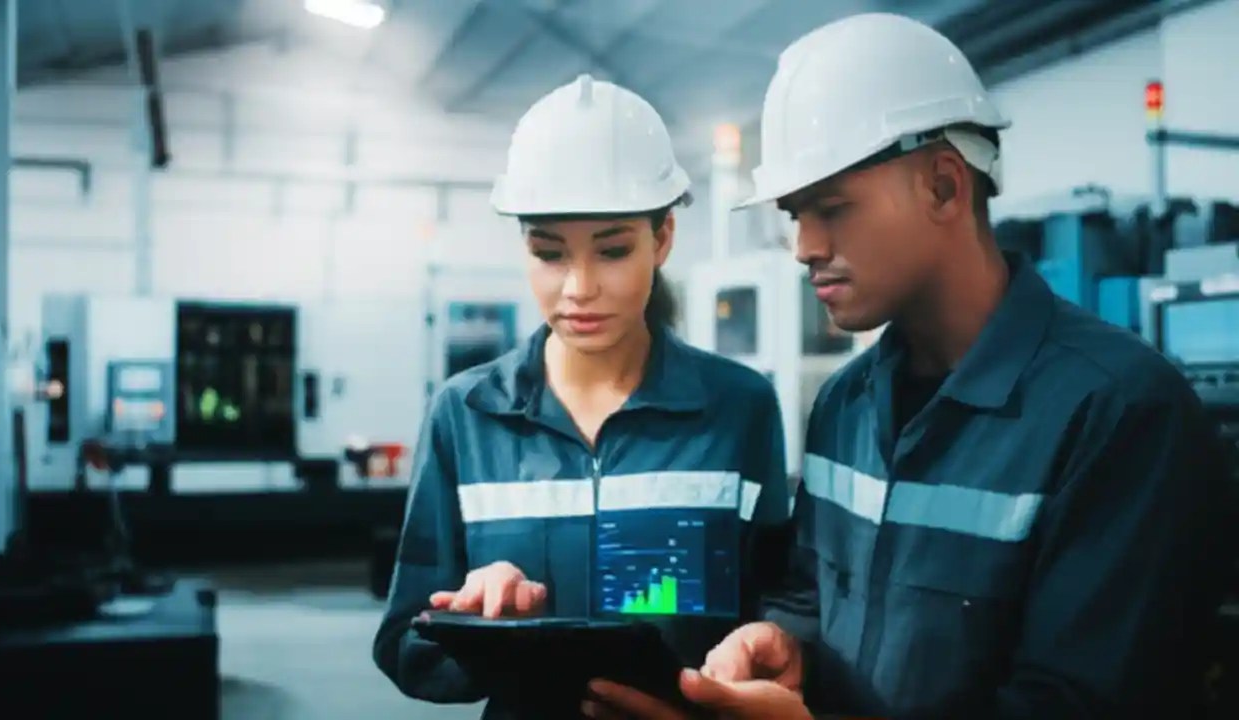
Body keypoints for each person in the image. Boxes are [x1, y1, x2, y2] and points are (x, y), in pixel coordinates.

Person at [585, 12, 1234, 720]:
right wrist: (785, 644)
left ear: (946, 188)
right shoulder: (845, 405)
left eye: (831, 208)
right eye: (794, 214)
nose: (802, 246)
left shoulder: (1119, 414)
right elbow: (811, 593)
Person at [372, 74, 794, 719]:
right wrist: (476, 619)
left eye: (613, 250)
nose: (579, 287)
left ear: (664, 239)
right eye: (549, 253)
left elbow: (780, 612)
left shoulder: (738, 409)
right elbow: (407, 645)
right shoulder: (467, 416)